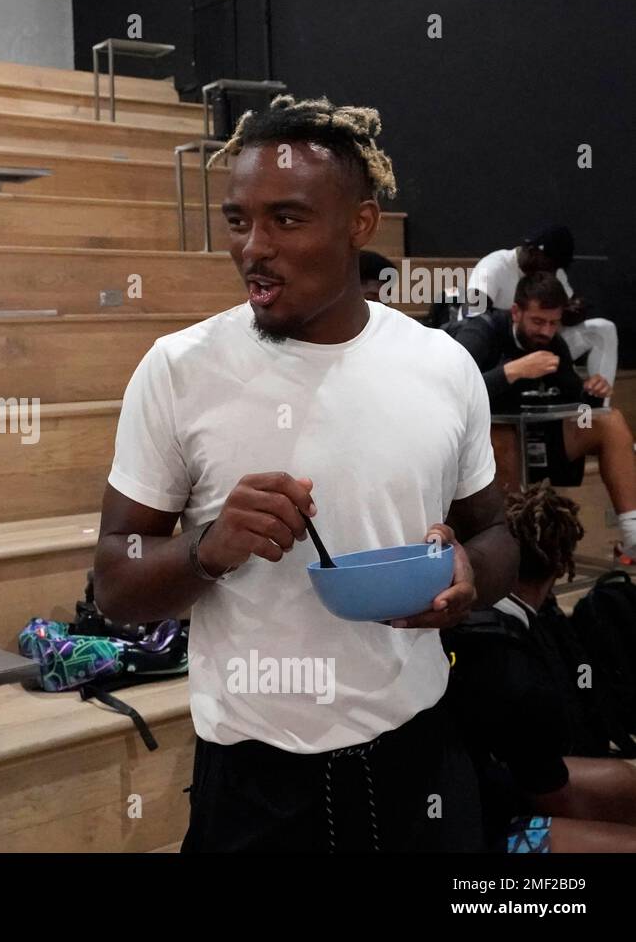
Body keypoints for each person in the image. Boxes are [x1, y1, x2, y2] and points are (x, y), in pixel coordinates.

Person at [93, 95, 518, 852]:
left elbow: (496, 531)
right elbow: (115, 585)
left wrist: (468, 576)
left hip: (419, 761)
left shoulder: (443, 366)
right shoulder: (178, 370)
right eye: (238, 220)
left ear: (360, 223)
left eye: (286, 220)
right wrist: (208, 549)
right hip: (255, 789)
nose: (254, 247)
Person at [442, 484, 636, 852]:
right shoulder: (514, 670)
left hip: (466, 779)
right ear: (561, 566)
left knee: (623, 781)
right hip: (470, 816)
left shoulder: (459, 619)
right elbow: (553, 802)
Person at [454, 271, 636, 557]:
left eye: (554, 323)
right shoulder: (482, 332)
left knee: (608, 420)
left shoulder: (553, 343)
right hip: (489, 439)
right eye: (538, 321)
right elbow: (452, 388)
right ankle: (512, 541)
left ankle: (632, 534)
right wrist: (511, 373)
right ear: (516, 312)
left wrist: (590, 394)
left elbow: (575, 402)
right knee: (500, 436)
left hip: (539, 438)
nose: (546, 332)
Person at [467, 225, 618, 397]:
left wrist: (574, 310)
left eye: (558, 267)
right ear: (532, 252)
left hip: (541, 344)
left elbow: (562, 315)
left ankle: (597, 405)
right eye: (551, 265)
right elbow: (472, 316)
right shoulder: (493, 266)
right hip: (497, 354)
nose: (553, 272)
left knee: (603, 329)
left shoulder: (553, 273)